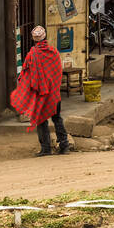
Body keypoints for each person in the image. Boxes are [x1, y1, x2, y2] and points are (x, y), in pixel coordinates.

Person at [11, 26, 69, 156]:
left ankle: (45, 148)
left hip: (40, 94)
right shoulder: (53, 52)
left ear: (34, 39)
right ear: (45, 37)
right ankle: (64, 146)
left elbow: (26, 74)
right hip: (54, 94)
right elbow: (58, 72)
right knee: (57, 118)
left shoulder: (32, 54)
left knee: (41, 120)